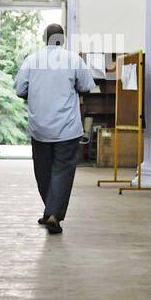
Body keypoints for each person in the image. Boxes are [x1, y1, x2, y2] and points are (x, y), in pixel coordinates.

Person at [14, 23, 97, 234]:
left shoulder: (31, 60)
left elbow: (20, 89)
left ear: (45, 38)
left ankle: (49, 211)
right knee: (62, 171)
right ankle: (53, 214)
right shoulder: (73, 59)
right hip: (67, 128)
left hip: (39, 127)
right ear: (63, 39)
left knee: (43, 172)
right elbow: (86, 86)